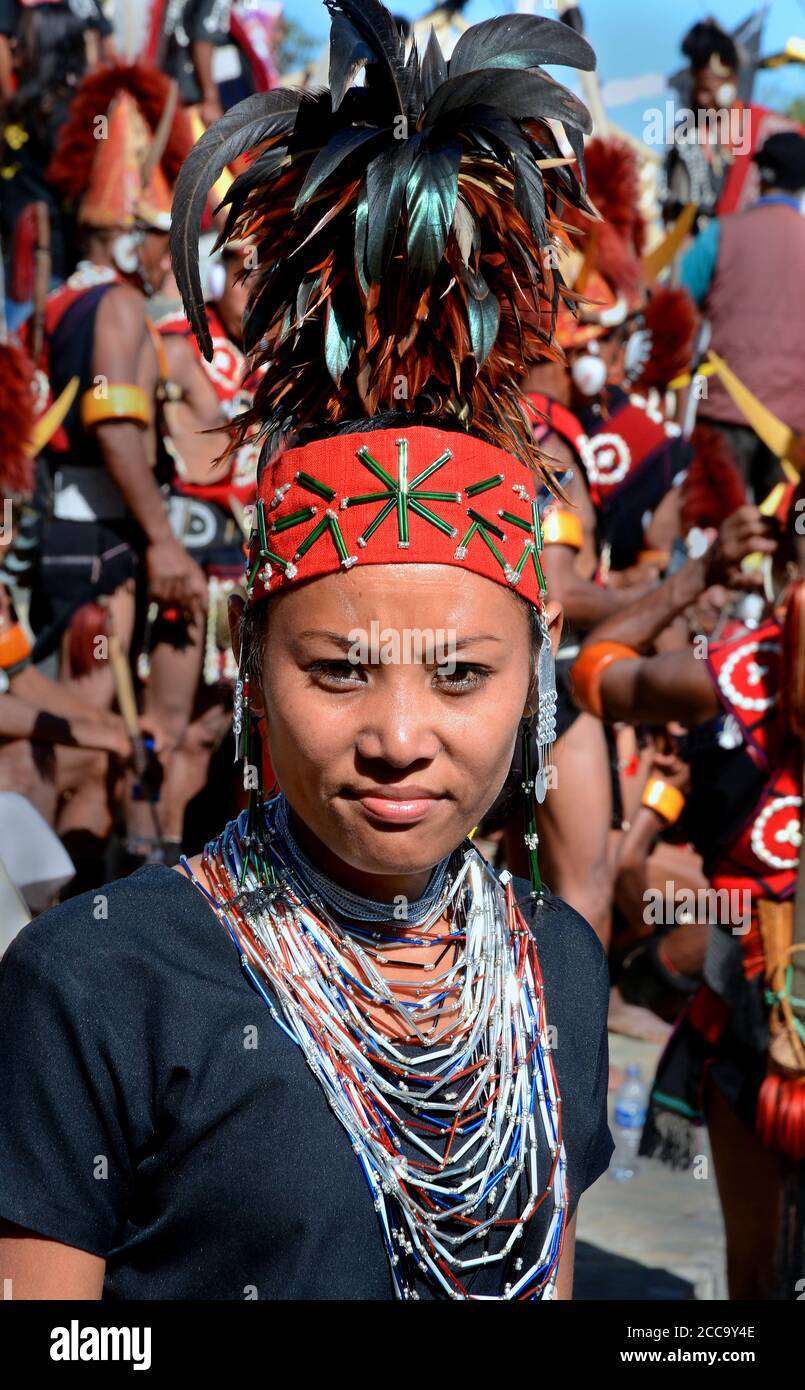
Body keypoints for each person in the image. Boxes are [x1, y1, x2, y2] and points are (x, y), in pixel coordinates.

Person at [0, 0, 613, 1301]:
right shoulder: (94, 972)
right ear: (251, 661)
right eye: (338, 670)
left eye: (463, 672)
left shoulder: (550, 960)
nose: (400, 733)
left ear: (537, 674)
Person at [572, 490, 805, 1297]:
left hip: (750, 994)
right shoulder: (725, 671)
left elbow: (590, 670)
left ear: (779, 565)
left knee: (755, 1275)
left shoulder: (725, 674)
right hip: (749, 993)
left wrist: (696, 573)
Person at [25, 63, 208, 706]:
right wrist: (162, 543)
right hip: (101, 540)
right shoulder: (121, 307)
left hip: (71, 533)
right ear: (132, 242)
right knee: (87, 747)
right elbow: (113, 423)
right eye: (163, 239)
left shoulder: (55, 306)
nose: (170, 258)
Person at [680, 131, 805, 503]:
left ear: (759, 175)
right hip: (792, 427)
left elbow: (677, 305)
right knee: (785, 540)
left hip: (721, 411)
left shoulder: (722, 232)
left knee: (711, 533)